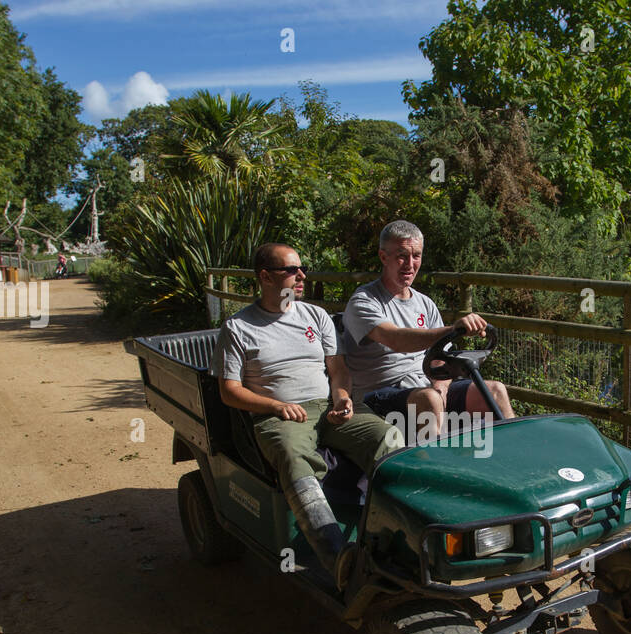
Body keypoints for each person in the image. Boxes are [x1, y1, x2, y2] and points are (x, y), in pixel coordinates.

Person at [213, 242, 402, 583]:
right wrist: (275, 405)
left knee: (388, 438)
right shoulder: (238, 328)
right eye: (291, 270)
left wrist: (343, 397)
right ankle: (336, 556)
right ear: (266, 277)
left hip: (330, 405)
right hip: (278, 414)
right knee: (294, 456)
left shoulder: (315, 316)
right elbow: (229, 391)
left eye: (302, 269)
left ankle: (397, 538)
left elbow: (339, 369)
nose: (301, 276)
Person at [340, 220, 514, 444]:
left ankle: (515, 462)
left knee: (495, 391)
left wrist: (441, 389)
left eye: (416, 256)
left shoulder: (425, 304)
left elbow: (441, 360)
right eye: (402, 256)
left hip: (424, 389)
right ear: (384, 257)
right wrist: (452, 329)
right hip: (376, 395)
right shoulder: (364, 302)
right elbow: (395, 339)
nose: (410, 264)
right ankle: (435, 471)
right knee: (429, 400)